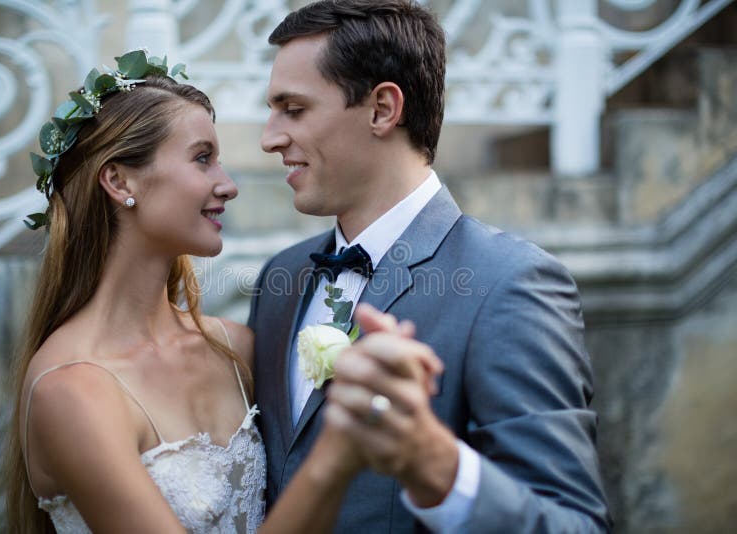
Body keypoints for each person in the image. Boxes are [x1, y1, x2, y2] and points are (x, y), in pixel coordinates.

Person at [2, 52, 427, 533]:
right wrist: (334, 458)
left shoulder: (234, 349)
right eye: (202, 158)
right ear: (119, 180)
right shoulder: (70, 390)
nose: (227, 186)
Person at [250, 0, 612, 532]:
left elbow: (573, 523)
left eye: (294, 109)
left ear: (382, 109)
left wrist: (434, 464)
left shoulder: (510, 284)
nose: (269, 138)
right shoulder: (279, 279)